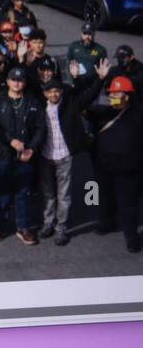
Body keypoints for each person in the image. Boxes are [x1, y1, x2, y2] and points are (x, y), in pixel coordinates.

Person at [38, 64, 105, 247]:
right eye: (50, 91)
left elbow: (88, 96)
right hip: (45, 156)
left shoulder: (71, 105)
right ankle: (47, 224)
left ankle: (61, 229)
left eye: (57, 91)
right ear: (45, 94)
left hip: (64, 156)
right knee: (48, 194)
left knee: (64, 195)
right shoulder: (39, 108)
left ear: (61, 91)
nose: (54, 94)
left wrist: (100, 79)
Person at [0, 66, 46, 244]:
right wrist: (9, 141)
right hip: (4, 154)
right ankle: (0, 226)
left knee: (23, 193)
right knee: (4, 193)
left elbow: (40, 128)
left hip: (25, 155)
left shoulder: (32, 101)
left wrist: (32, 149)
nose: (17, 83)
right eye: (13, 79)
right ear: (8, 81)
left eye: (20, 80)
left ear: (25, 82)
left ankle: (23, 228)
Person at [86, 76, 143, 253]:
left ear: (128, 95)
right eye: (112, 93)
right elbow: (84, 104)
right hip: (104, 166)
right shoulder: (101, 110)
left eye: (119, 93)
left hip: (129, 168)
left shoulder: (138, 113)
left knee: (128, 204)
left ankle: (131, 236)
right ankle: (106, 223)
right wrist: (96, 83)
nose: (115, 95)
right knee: (104, 198)